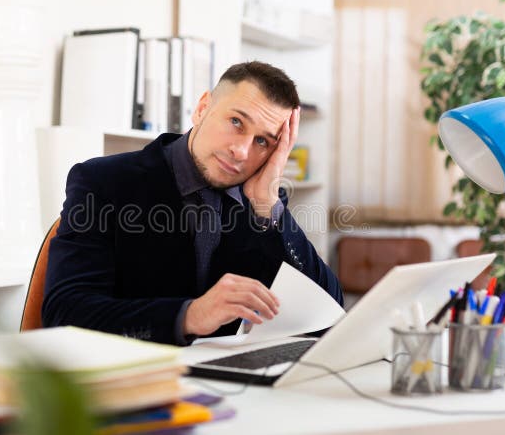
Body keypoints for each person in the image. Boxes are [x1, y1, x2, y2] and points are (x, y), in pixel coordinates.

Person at [42, 61, 342, 345]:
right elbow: (65, 313)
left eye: (263, 141)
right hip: (134, 376)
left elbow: (330, 313)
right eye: (236, 122)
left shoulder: (261, 203)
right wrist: (189, 316)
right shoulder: (104, 181)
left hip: (235, 385)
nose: (241, 151)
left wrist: (268, 206)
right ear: (202, 108)